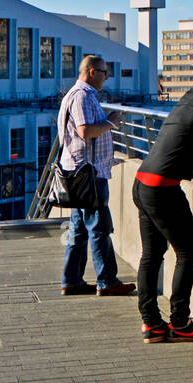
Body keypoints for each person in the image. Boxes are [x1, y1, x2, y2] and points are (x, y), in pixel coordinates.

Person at [133, 59, 193, 342]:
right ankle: (180, 322)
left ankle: (152, 324)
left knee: (152, 255)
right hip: (163, 188)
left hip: (142, 180)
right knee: (189, 253)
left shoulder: (190, 95)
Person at [59, 55, 136, 297]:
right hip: (87, 174)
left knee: (79, 229)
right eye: (104, 72)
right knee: (100, 228)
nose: (107, 77)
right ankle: (107, 281)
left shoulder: (76, 94)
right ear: (92, 72)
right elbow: (84, 131)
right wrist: (111, 123)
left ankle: (71, 281)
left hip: (79, 171)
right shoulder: (82, 96)